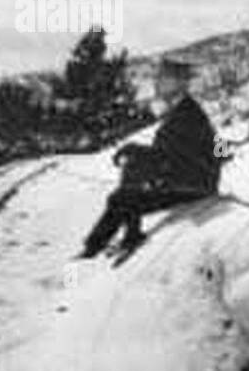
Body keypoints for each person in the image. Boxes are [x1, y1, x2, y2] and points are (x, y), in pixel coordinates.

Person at [80, 57, 222, 257]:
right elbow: (203, 147)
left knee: (124, 195)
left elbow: (172, 156)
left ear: (180, 83)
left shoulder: (186, 113)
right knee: (122, 196)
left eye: (164, 78)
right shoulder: (182, 109)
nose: (157, 82)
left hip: (194, 186)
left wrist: (137, 152)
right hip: (190, 179)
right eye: (159, 77)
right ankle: (96, 246)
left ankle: (114, 241)